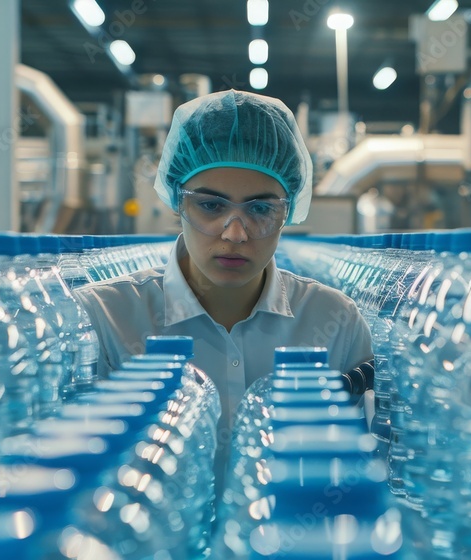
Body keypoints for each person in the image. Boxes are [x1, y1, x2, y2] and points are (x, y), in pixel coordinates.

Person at [73, 89, 375, 455]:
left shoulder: (334, 321)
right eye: (211, 205)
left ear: (289, 211)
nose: (235, 233)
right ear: (177, 203)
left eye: (260, 209)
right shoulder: (104, 319)